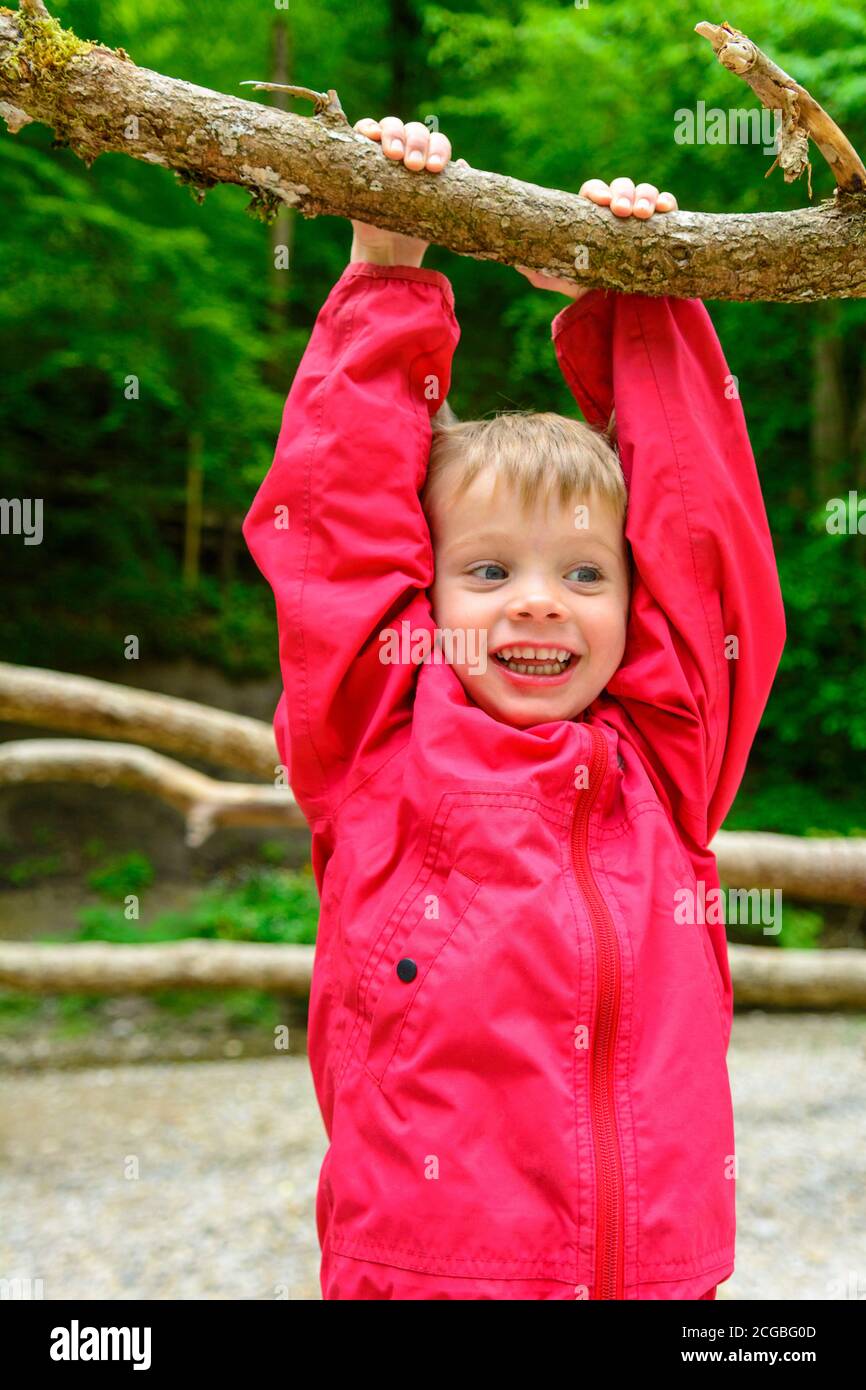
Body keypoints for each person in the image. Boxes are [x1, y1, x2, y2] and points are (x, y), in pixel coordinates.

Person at [242, 117, 786, 1299]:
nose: (539, 605)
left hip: (661, 1280)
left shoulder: (664, 756)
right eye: (488, 572)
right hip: (435, 1277)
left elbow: (700, 539)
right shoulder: (379, 734)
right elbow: (334, 530)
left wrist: (635, 301)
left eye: (583, 574)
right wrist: (386, 270)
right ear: (424, 587)